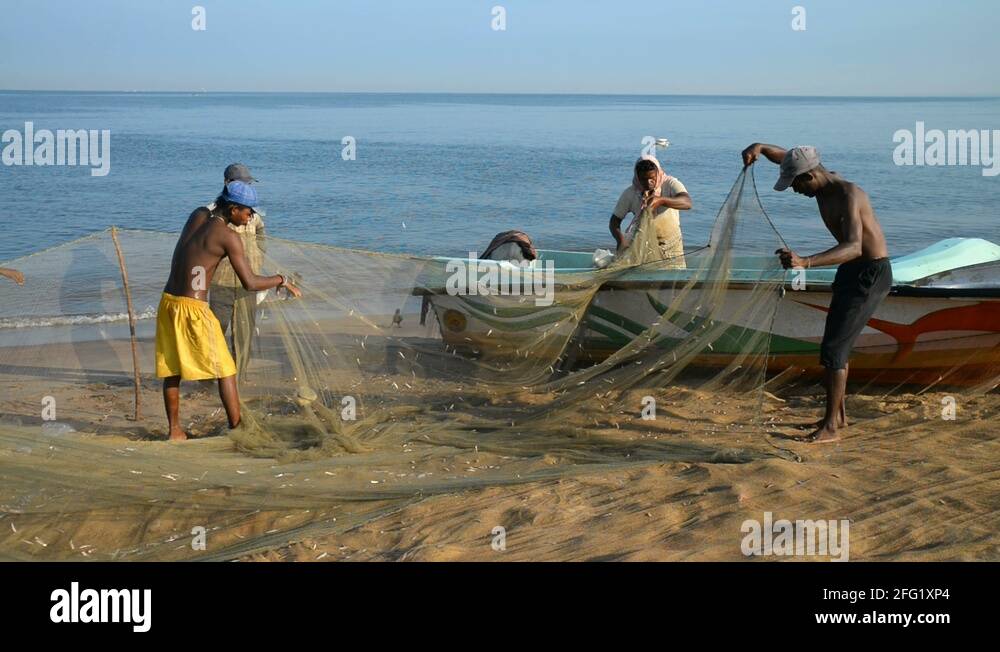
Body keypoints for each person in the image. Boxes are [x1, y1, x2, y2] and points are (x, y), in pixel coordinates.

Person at [742, 143, 891, 443]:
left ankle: (830, 429)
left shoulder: (848, 195)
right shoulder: (817, 180)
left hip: (870, 273)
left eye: (795, 184)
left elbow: (854, 246)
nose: (795, 191)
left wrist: (804, 262)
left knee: (834, 350)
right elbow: (785, 156)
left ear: (809, 176)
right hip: (850, 271)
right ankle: (839, 417)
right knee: (836, 345)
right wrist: (759, 146)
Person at [156, 181, 301, 441]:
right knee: (226, 369)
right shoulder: (228, 237)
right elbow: (251, 283)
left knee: (172, 369)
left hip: (168, 303)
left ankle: (175, 430)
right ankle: (237, 429)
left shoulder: (198, 215)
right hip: (193, 309)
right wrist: (281, 279)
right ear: (233, 209)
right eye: (248, 212)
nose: (250, 218)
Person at [208, 163, 266, 378]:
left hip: (247, 283)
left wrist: (258, 259)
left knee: (243, 334)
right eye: (243, 183)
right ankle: (209, 379)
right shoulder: (213, 212)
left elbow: (261, 233)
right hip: (220, 283)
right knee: (216, 333)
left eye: (248, 183)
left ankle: (237, 378)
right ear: (227, 183)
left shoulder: (251, 212)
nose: (247, 186)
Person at [609, 155, 693, 267]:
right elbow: (615, 221)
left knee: (674, 276)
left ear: (657, 173)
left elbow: (687, 203)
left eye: (652, 178)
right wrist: (621, 240)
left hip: (671, 244)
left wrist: (661, 200)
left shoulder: (670, 184)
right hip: (642, 244)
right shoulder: (631, 193)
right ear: (637, 177)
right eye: (643, 179)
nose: (648, 183)